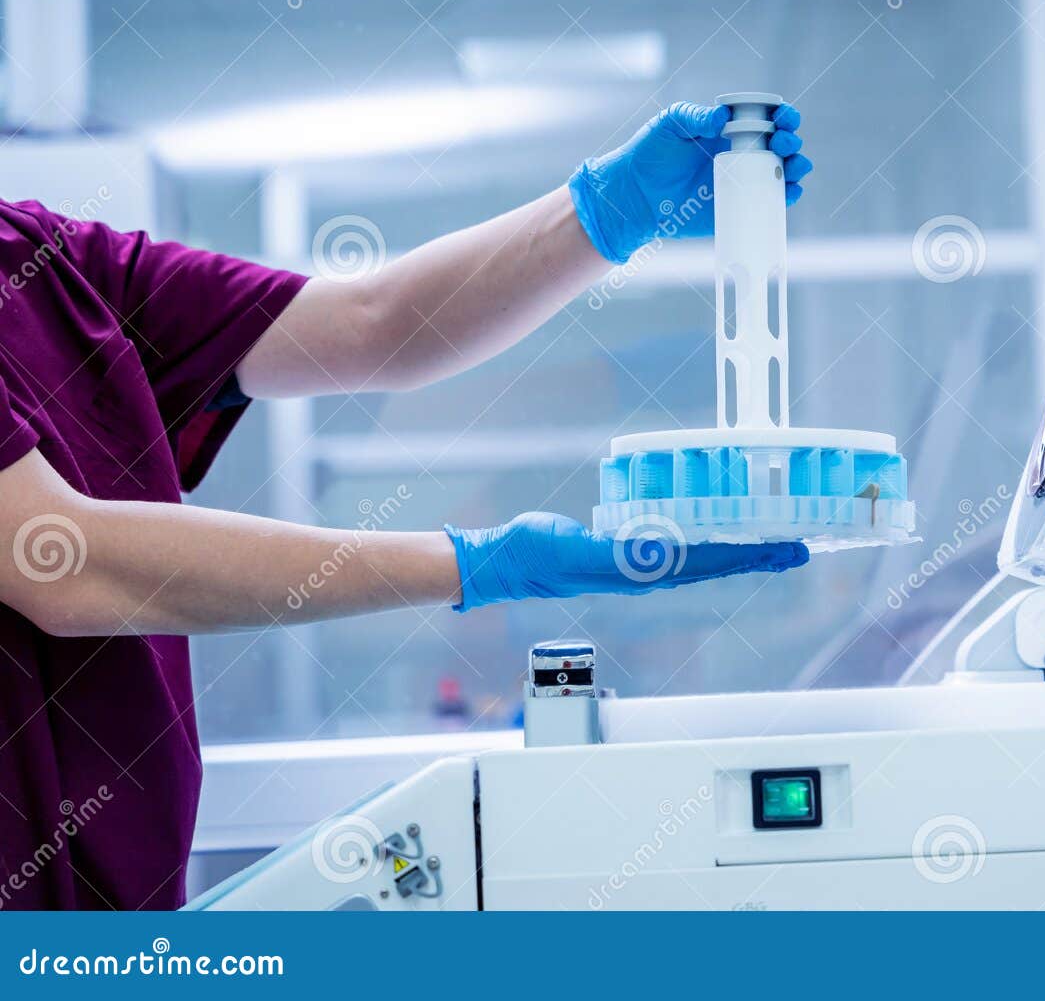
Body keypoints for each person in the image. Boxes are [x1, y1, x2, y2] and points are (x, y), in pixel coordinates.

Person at [0, 100, 814, 910]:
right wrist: (477, 562)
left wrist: (603, 212)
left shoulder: (40, 259)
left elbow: (375, 322)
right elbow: (65, 560)